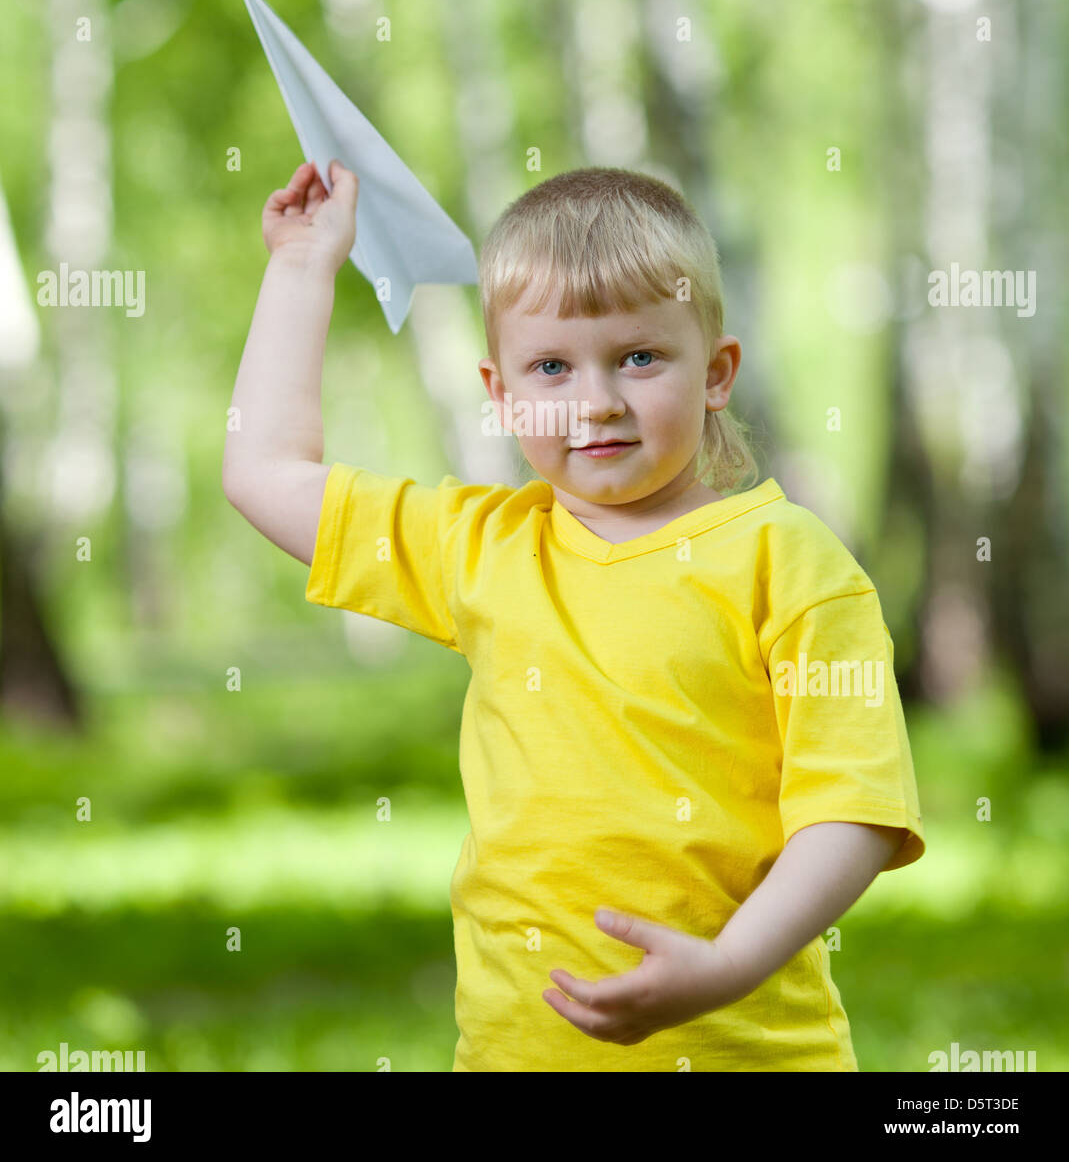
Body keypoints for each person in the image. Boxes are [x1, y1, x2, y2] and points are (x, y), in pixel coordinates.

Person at [223, 157, 925, 1072]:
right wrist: (302, 266)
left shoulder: (790, 563)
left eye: (638, 356)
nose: (595, 402)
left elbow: (854, 814)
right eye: (550, 367)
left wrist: (725, 966)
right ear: (501, 393)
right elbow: (262, 473)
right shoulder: (480, 547)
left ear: (715, 373)